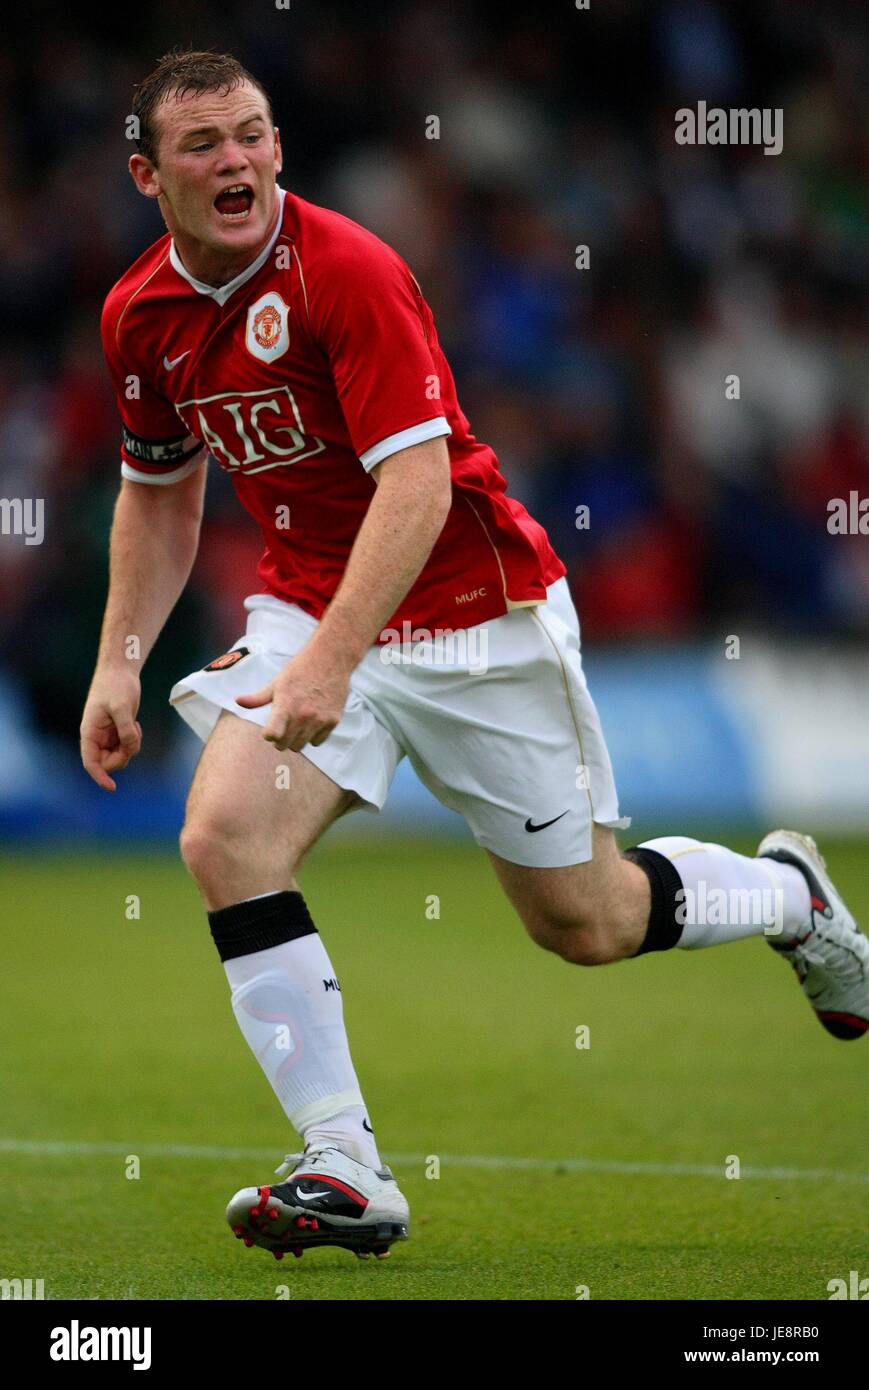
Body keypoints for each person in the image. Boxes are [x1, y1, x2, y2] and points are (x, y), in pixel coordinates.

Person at [81, 49, 868, 1263]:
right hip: (311, 605)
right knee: (222, 834)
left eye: (250, 134)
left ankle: (788, 898)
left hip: (470, 614)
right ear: (149, 174)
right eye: (202, 145)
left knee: (585, 921)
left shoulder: (348, 269)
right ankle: (344, 1160)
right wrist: (119, 660)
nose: (234, 160)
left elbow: (416, 480)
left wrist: (335, 662)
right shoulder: (138, 314)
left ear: (279, 145)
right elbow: (158, 497)